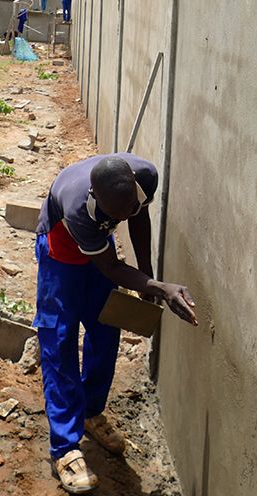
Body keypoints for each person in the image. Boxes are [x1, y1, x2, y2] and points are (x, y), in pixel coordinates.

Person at [35, 153, 196, 493]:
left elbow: (139, 218)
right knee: (60, 340)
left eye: (126, 209)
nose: (122, 218)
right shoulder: (80, 209)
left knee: (106, 329)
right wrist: (161, 288)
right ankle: (64, 447)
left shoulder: (144, 177)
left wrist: (148, 276)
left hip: (98, 250)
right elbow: (109, 267)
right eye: (113, 215)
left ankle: (91, 412)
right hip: (61, 253)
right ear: (97, 200)